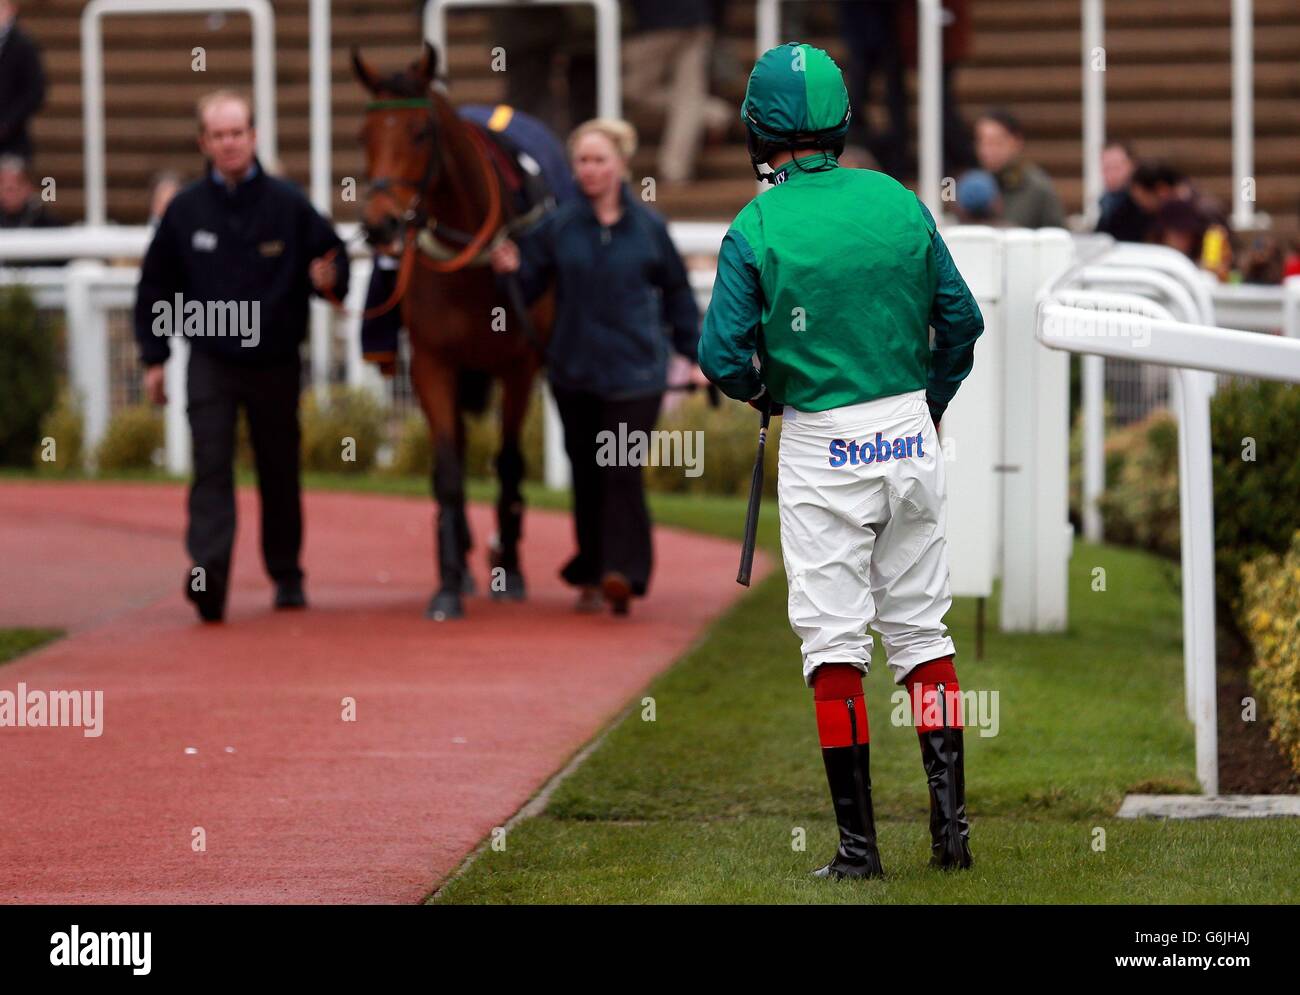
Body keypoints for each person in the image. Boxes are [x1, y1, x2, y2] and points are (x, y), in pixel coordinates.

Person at [698, 43, 984, 879]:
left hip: (824, 443)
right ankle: (950, 832)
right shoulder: (897, 200)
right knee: (922, 630)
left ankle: (860, 849)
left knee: (834, 643)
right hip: (908, 430)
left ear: (759, 132)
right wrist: (925, 405)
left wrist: (767, 393)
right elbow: (961, 323)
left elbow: (722, 358)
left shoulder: (755, 225)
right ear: (842, 121)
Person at [133, 90, 349, 623]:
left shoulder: (289, 204)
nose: (229, 143)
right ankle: (209, 576)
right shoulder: (184, 211)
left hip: (275, 358)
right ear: (204, 143)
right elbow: (156, 287)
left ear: (253, 137)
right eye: (218, 135)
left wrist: (329, 278)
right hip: (211, 358)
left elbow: (332, 257)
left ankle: (287, 573)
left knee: (279, 469)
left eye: (238, 133)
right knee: (211, 467)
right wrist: (154, 358)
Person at [489, 118, 700, 615]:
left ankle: (623, 573)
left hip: (635, 375)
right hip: (574, 372)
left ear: (622, 164)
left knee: (621, 468)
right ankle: (591, 565)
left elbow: (676, 294)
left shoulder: (650, 229)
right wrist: (509, 273)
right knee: (588, 472)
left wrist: (694, 356)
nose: (589, 170)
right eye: (581, 160)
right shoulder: (557, 226)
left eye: (599, 159)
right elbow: (527, 286)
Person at [622, 0, 731, 185]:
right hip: (697, 19)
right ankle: (713, 115)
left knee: (627, 87)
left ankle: (676, 169)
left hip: (658, 23)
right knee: (688, 99)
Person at [974, 108, 1065, 229]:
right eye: (982, 142)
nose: (987, 151)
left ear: (1016, 142)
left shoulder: (1037, 188)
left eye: (996, 142)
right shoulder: (970, 186)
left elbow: (1057, 236)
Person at [0, 0, 45, 164]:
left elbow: (35, 91)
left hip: (12, 141)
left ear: (11, 10)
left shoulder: (23, 45)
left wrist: (6, 124)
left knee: (9, 185)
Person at [1095, 141, 1150, 242]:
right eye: (1106, 168)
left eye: (1117, 167)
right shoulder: (1107, 203)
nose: (1111, 174)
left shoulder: (1145, 205)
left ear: (1133, 166)